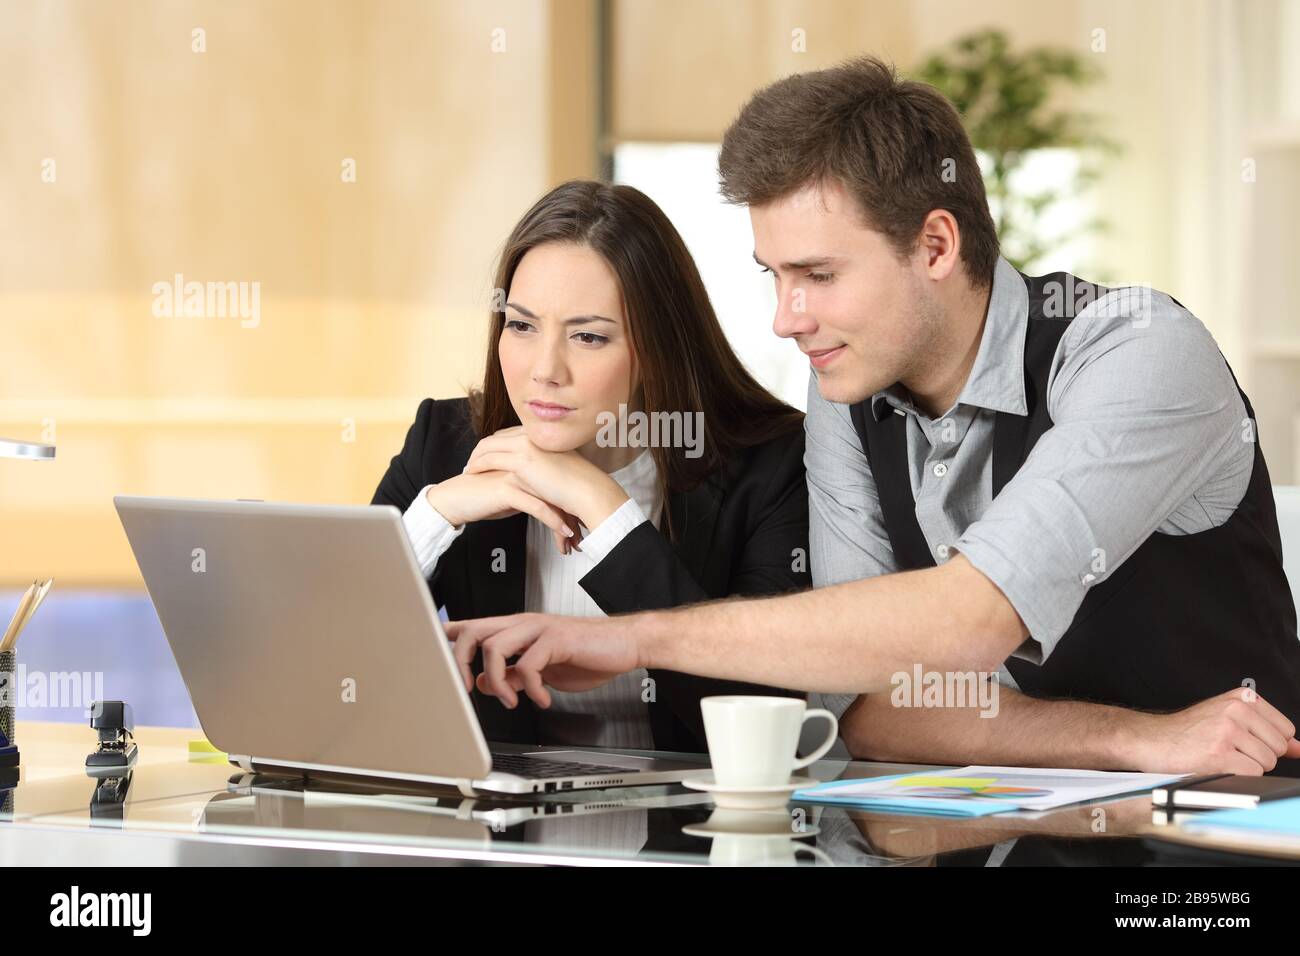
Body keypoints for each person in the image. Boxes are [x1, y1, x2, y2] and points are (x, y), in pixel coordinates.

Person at [448, 57, 1300, 777]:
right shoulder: (846, 391)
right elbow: (863, 705)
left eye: (817, 275)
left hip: (1217, 837)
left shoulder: (1136, 350)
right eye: (772, 276)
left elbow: (967, 620)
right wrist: (1135, 738)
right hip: (1010, 835)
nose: (787, 318)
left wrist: (634, 639)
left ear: (935, 246)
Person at [372, 179, 810, 753]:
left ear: (658, 348)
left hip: (700, 832)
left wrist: (602, 508)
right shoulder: (445, 443)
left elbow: (768, 725)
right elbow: (332, 671)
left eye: (587, 336)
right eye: (522, 326)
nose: (544, 370)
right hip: (499, 834)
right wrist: (434, 513)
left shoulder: (770, 466)